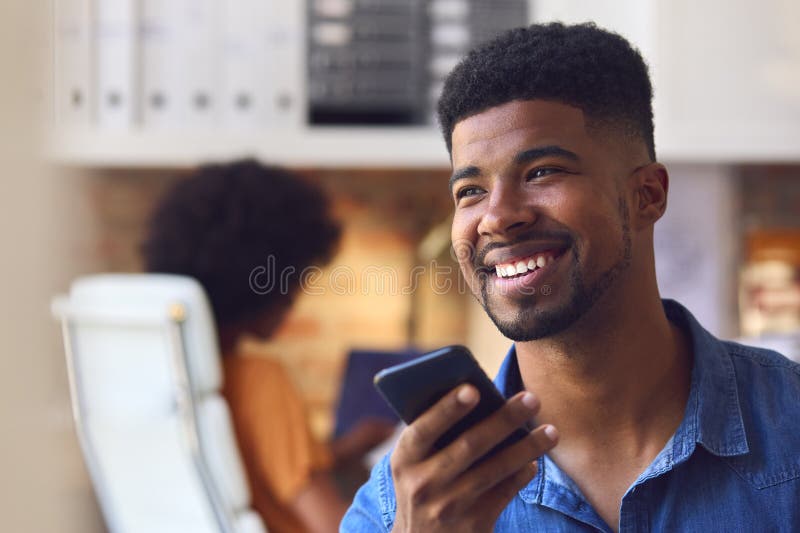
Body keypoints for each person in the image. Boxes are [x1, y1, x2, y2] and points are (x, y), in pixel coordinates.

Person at [342, 22, 800, 532]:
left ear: (646, 196)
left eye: (542, 172)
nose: (495, 217)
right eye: (470, 190)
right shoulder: (400, 508)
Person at [142, 159, 393, 533]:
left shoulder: (174, 372)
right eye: (293, 278)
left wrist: (339, 453)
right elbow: (335, 526)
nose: (296, 296)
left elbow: (242, 468)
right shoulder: (260, 381)